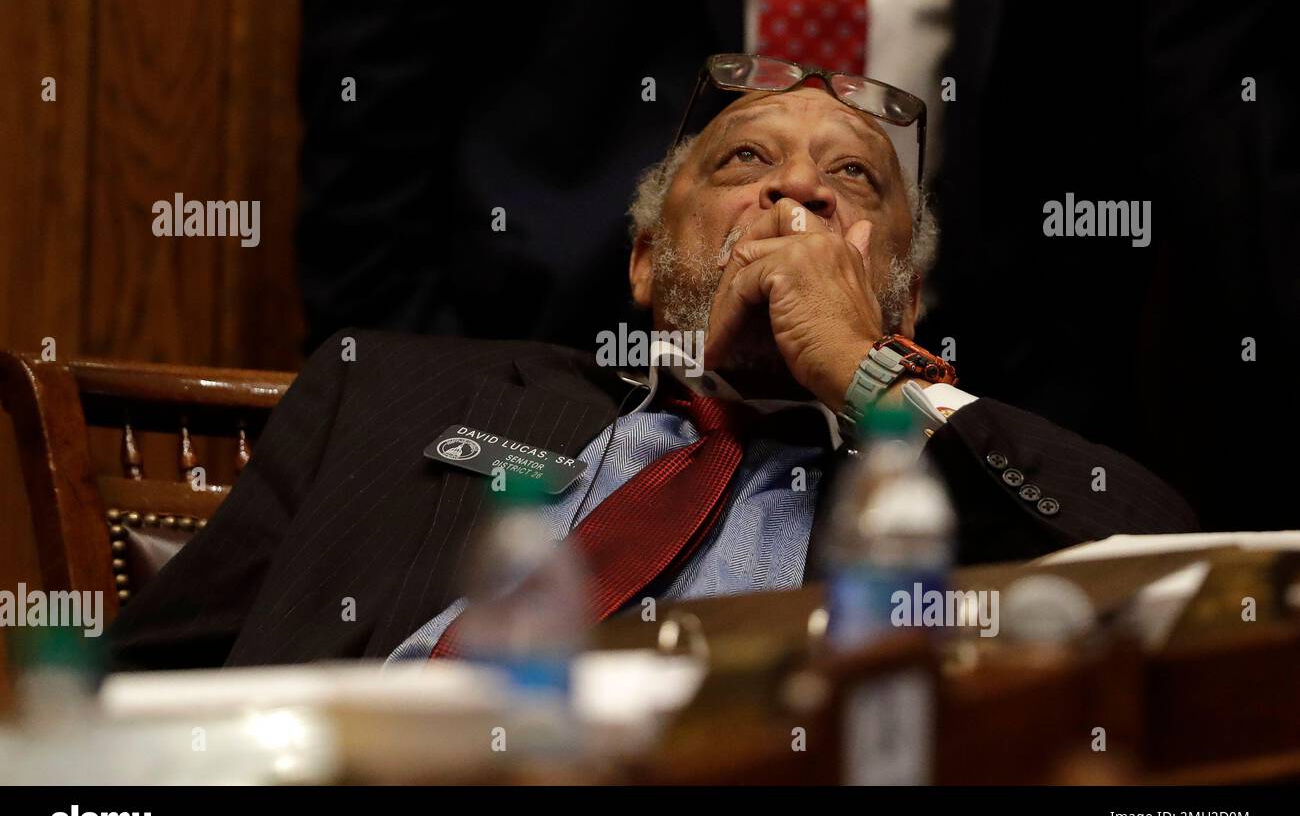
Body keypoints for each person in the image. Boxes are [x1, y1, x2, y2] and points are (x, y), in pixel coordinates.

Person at [108, 63, 1195, 671]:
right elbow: (140, 693)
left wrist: (866, 374)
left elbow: (1171, 580)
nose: (796, 195)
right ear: (644, 257)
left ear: (897, 296)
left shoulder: (952, 470)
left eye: (852, 179)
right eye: (745, 159)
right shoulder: (388, 386)